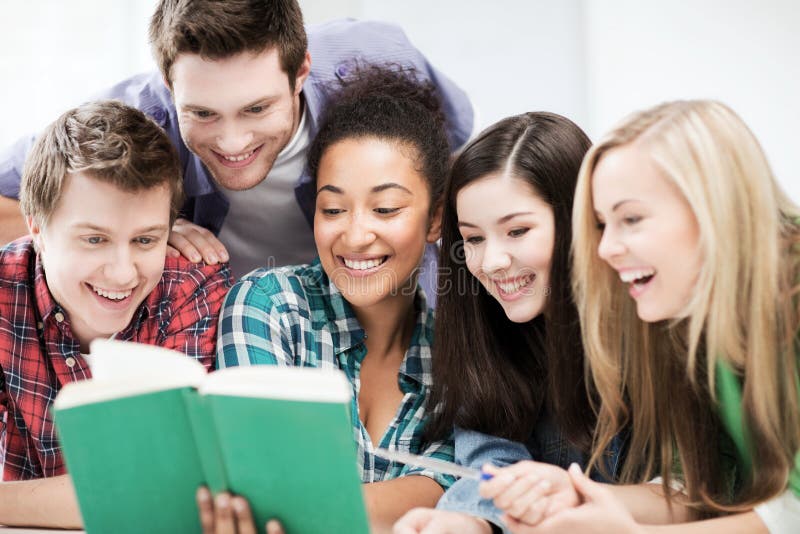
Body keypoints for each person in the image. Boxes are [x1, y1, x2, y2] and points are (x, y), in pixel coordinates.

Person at [0, 0, 474, 300]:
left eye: (256, 109)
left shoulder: (377, 57)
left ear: (300, 71)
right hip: (232, 333)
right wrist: (138, 229)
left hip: (392, 309)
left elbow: (450, 159)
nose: (232, 144)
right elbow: (12, 203)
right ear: (169, 84)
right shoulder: (135, 120)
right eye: (203, 113)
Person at [487, 100, 800, 533]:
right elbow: (700, 485)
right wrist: (577, 497)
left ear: (715, 207)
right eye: (601, 224)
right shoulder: (684, 314)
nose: (605, 249)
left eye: (631, 219)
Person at [205, 65, 453, 534]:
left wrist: (308, 508)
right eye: (333, 209)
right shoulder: (266, 306)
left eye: (385, 209)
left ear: (435, 218)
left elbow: (445, 490)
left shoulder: (456, 354)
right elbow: (263, 492)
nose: (356, 235)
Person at [0, 100, 231, 528]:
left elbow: (155, 490)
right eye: (94, 240)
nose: (123, 273)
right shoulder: (4, 292)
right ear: (37, 228)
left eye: (145, 240)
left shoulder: (191, 293)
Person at [393, 112, 624, 534]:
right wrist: (468, 524)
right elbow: (490, 466)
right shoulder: (486, 335)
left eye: (517, 231)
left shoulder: (648, 331)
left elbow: (689, 489)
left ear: (579, 218)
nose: (492, 262)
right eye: (474, 239)